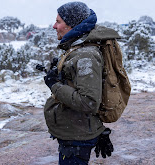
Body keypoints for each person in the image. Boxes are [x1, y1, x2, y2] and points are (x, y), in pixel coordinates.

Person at [43, 1, 116, 164]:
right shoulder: (77, 50)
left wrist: (54, 85)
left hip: (76, 138)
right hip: (76, 133)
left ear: (72, 25)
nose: (54, 26)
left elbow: (88, 102)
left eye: (58, 21)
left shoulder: (85, 56)